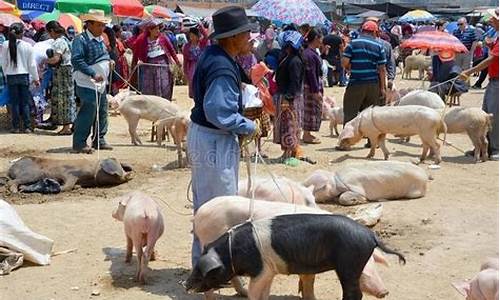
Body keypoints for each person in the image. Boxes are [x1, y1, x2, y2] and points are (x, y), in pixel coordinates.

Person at [188, 6, 257, 268]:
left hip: (206, 136)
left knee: (207, 203)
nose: (249, 37)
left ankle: (206, 263)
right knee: (220, 207)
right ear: (232, 37)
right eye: (245, 32)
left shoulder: (215, 55)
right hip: (214, 139)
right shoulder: (221, 66)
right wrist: (248, 126)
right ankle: (211, 267)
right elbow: (218, 111)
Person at [71, 9, 113, 153]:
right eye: (99, 25)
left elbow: (104, 55)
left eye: (103, 25)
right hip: (86, 82)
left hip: (100, 83)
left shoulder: (101, 39)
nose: (102, 28)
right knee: (88, 111)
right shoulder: (80, 40)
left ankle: (99, 139)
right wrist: (93, 73)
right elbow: (77, 60)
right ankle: (80, 143)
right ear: (89, 25)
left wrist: (109, 61)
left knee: (101, 111)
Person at [338, 21, 386, 149]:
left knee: (350, 112)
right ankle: (372, 142)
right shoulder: (379, 46)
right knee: (370, 115)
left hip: (356, 83)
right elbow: (382, 69)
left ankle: (346, 143)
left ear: (362, 30)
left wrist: (349, 67)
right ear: (375, 32)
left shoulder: (353, 44)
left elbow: (344, 62)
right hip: (373, 84)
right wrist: (382, 88)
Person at [460, 8, 499, 161]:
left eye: (493, 19)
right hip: (493, 80)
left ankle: (495, 149)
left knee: (494, 115)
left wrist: (470, 72)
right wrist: (489, 46)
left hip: (498, 81)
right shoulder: (496, 35)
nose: (490, 21)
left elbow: (492, 60)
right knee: (485, 115)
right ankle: (482, 146)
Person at [0, 22, 40, 133]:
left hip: (11, 76)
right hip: (24, 76)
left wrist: (6, 74)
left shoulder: (5, 45)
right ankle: (27, 126)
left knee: (15, 102)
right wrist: (36, 78)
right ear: (22, 33)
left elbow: (3, 62)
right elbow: (32, 65)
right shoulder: (27, 46)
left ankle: (16, 127)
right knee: (25, 102)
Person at [274, 29, 305, 162]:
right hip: (286, 95)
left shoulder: (294, 61)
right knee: (287, 124)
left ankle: (290, 151)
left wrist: (287, 98)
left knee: (289, 125)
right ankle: (287, 151)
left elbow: (294, 81)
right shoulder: (289, 58)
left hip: (289, 97)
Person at [132, 18, 180, 100]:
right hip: (148, 66)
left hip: (163, 65)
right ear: (150, 30)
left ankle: (164, 102)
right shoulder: (142, 40)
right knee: (149, 87)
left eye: (158, 29)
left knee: (164, 85)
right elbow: (136, 53)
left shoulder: (163, 38)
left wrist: (177, 62)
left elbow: (171, 50)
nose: (158, 31)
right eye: (156, 29)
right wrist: (134, 66)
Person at [46, 21, 76, 135]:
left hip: (62, 72)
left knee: (63, 99)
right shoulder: (66, 40)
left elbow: (56, 59)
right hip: (68, 71)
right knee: (68, 98)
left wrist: (45, 61)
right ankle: (68, 126)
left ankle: (66, 127)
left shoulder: (59, 42)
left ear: (52, 31)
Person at [302, 28, 324, 144]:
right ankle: (306, 134)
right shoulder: (309, 54)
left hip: (312, 84)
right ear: (316, 38)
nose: (321, 41)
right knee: (310, 110)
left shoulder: (310, 52)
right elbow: (311, 73)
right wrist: (315, 91)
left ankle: (308, 133)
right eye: (320, 38)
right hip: (311, 86)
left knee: (312, 110)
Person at [182, 24, 209, 99]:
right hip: (192, 68)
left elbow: (206, 36)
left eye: (194, 36)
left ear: (198, 36)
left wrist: (200, 27)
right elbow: (185, 60)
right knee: (193, 83)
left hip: (202, 66)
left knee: (202, 82)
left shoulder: (202, 43)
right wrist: (185, 71)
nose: (192, 38)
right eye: (190, 36)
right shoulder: (187, 46)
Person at [111, 24, 130, 94]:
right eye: (120, 31)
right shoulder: (113, 41)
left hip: (121, 60)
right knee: (118, 77)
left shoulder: (118, 40)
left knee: (122, 77)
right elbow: (116, 52)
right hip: (118, 61)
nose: (121, 33)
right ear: (115, 32)